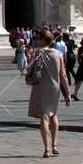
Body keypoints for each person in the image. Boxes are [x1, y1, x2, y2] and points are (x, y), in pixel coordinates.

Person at [26, 29, 70, 157]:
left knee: (44, 117)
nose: (37, 40)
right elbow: (63, 75)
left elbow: (28, 69)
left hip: (41, 87)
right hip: (55, 87)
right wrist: (68, 93)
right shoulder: (59, 54)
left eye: (38, 38)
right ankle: (54, 145)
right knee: (54, 115)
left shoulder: (37, 52)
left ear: (43, 40)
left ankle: (46, 149)